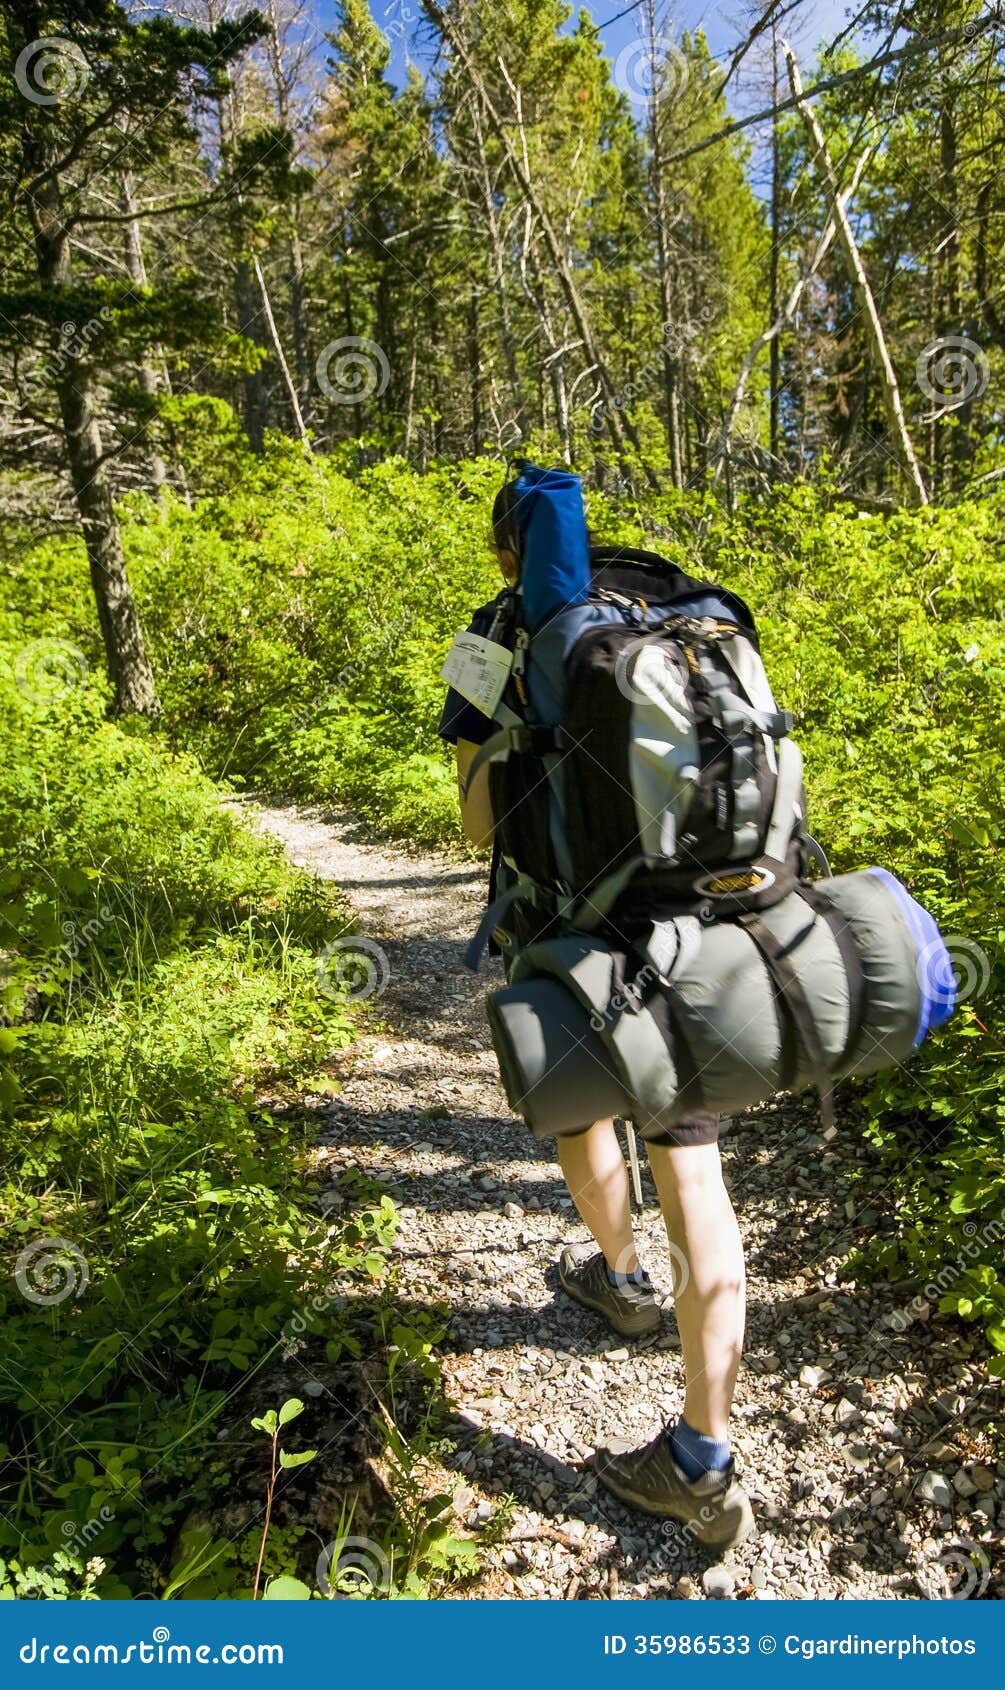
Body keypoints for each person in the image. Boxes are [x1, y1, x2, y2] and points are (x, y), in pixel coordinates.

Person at [438, 482, 753, 1551]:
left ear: (508, 546)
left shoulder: (494, 630)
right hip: (703, 933)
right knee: (696, 1175)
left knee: (584, 1114)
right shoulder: (682, 602)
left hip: (571, 935)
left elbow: (474, 807)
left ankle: (621, 1279)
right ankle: (702, 1457)